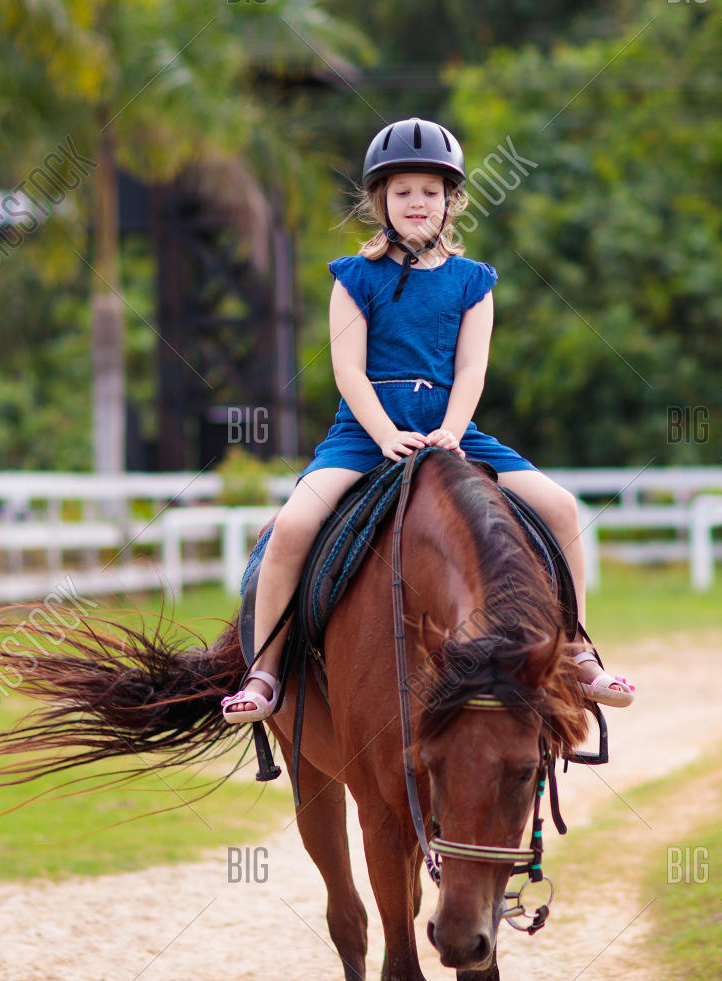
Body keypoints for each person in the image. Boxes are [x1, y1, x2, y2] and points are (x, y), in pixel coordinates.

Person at [221, 117, 633, 722]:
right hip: (364, 436)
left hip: (452, 428)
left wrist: (453, 429)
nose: (418, 202)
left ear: (452, 202)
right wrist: (386, 435)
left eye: (431, 192)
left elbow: (471, 371)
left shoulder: (473, 283)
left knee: (563, 508)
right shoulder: (353, 278)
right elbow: (349, 372)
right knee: (291, 527)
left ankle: (575, 648)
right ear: (379, 201)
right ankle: (264, 672)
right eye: (403, 191)